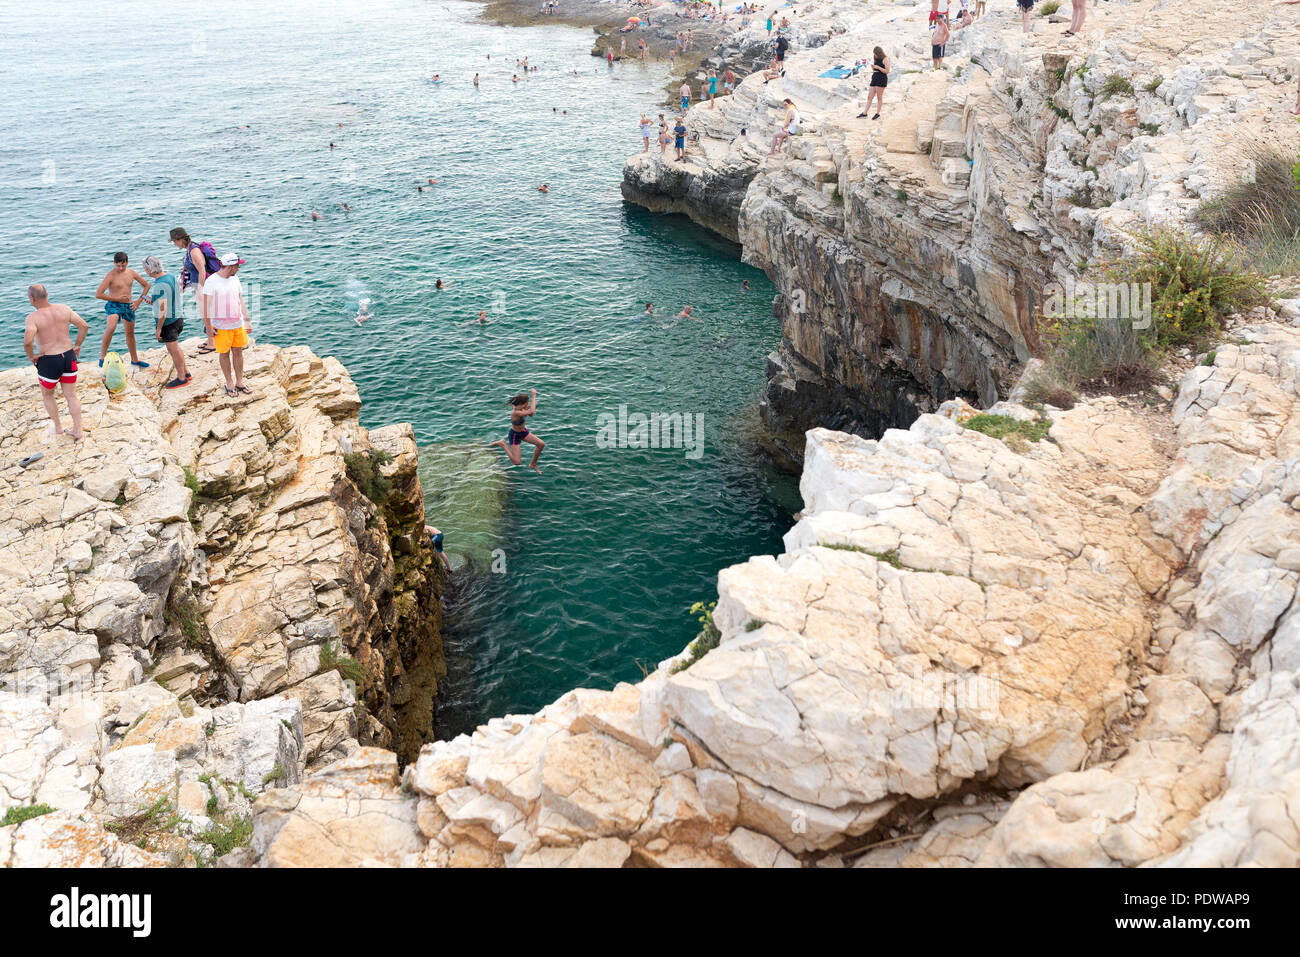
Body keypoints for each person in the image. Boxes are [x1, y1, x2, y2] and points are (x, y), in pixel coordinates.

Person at [24, 285, 88, 440]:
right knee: (71, 395)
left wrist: (32, 356)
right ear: (47, 294)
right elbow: (84, 326)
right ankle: (77, 430)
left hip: (49, 361)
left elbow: (27, 342)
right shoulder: (64, 309)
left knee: (47, 394)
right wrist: (77, 345)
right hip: (68, 356)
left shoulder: (33, 318)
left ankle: (58, 428)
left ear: (32, 299)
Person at [201, 251, 253, 397]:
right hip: (221, 327)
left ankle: (240, 382)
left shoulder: (235, 278)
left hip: (237, 324)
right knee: (224, 354)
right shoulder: (211, 282)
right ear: (230, 266)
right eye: (237, 266)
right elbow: (206, 307)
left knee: (238, 351)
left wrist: (247, 320)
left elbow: (240, 299)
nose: (238, 269)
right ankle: (229, 383)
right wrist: (209, 328)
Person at [94, 252, 150, 368]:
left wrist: (138, 302)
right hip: (114, 304)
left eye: (123, 266)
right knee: (111, 326)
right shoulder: (111, 275)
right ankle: (102, 357)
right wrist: (117, 299)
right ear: (114, 263)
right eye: (118, 265)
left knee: (130, 333)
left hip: (128, 305)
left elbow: (146, 285)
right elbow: (98, 294)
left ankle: (134, 360)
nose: (120, 268)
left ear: (127, 263)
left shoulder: (131, 272)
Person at [143, 256, 190, 388]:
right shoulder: (170, 276)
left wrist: (158, 329)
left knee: (173, 349)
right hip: (178, 317)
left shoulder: (159, 285)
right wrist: (154, 298)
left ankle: (181, 378)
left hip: (168, 322)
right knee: (176, 348)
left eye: (145, 269)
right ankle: (186, 373)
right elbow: (171, 294)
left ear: (148, 269)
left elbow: (162, 310)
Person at [170, 227, 217, 354]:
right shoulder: (190, 249)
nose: (174, 244)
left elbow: (202, 270)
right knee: (205, 315)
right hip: (199, 286)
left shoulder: (194, 251)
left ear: (180, 239)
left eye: (174, 241)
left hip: (203, 286)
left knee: (206, 315)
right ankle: (210, 339)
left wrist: (202, 289)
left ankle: (212, 343)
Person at [489, 389, 545, 473]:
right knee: (517, 462)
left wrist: (528, 408)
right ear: (524, 403)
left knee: (541, 444)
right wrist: (534, 396)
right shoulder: (515, 412)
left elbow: (531, 414)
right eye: (527, 402)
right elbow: (532, 411)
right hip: (515, 435)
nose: (528, 404)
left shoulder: (523, 408)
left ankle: (533, 464)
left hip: (524, 432)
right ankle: (503, 444)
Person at [859, 47, 890, 119]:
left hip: (881, 78)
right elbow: (875, 69)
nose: (875, 55)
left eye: (876, 54)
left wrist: (878, 67)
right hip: (875, 77)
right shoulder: (875, 58)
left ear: (879, 53)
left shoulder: (886, 59)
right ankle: (864, 113)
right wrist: (873, 67)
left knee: (879, 97)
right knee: (869, 97)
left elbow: (887, 71)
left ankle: (877, 113)